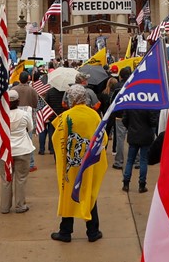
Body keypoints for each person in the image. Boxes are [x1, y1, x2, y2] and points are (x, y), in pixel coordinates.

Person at [51, 84, 107, 243]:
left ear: (71, 99)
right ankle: (93, 231)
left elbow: (56, 140)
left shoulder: (65, 117)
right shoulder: (95, 116)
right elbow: (103, 139)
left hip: (70, 165)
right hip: (88, 164)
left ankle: (65, 232)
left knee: (69, 194)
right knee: (89, 193)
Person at [0, 89, 35, 214]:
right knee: (21, 179)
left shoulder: (1, 115)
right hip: (22, 149)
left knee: (6, 179)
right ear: (18, 101)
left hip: (5, 150)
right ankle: (20, 205)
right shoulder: (25, 114)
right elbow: (30, 128)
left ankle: (5, 207)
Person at [119, 107, 157, 194]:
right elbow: (153, 122)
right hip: (146, 136)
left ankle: (126, 183)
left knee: (130, 160)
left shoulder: (131, 104)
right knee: (143, 160)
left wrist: (131, 127)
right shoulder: (149, 105)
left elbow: (124, 119)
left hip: (133, 134)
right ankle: (142, 185)